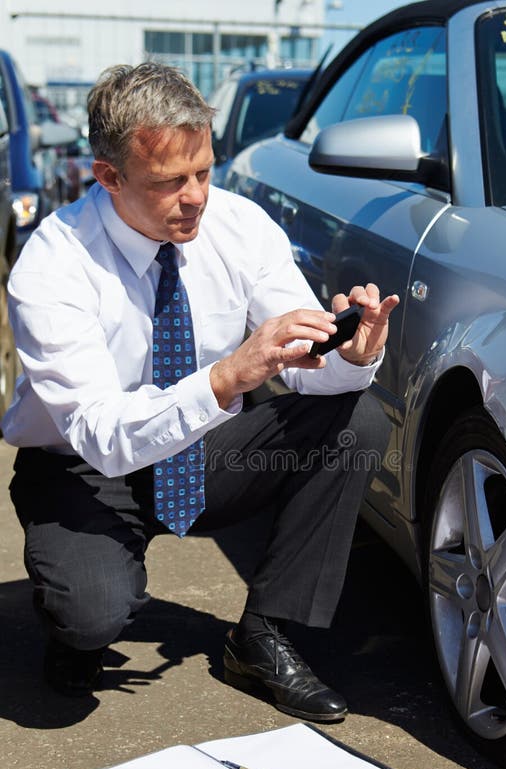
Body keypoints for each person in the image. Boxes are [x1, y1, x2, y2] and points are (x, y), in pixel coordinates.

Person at [1, 62, 399, 723]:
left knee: (357, 418)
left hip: (200, 449)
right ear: (109, 177)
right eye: (169, 181)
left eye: (204, 172)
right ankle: (74, 625)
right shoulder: (55, 262)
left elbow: (302, 365)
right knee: (92, 616)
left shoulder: (241, 226)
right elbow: (103, 435)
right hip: (82, 466)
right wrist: (227, 376)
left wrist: (350, 358)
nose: (195, 197)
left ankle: (263, 636)